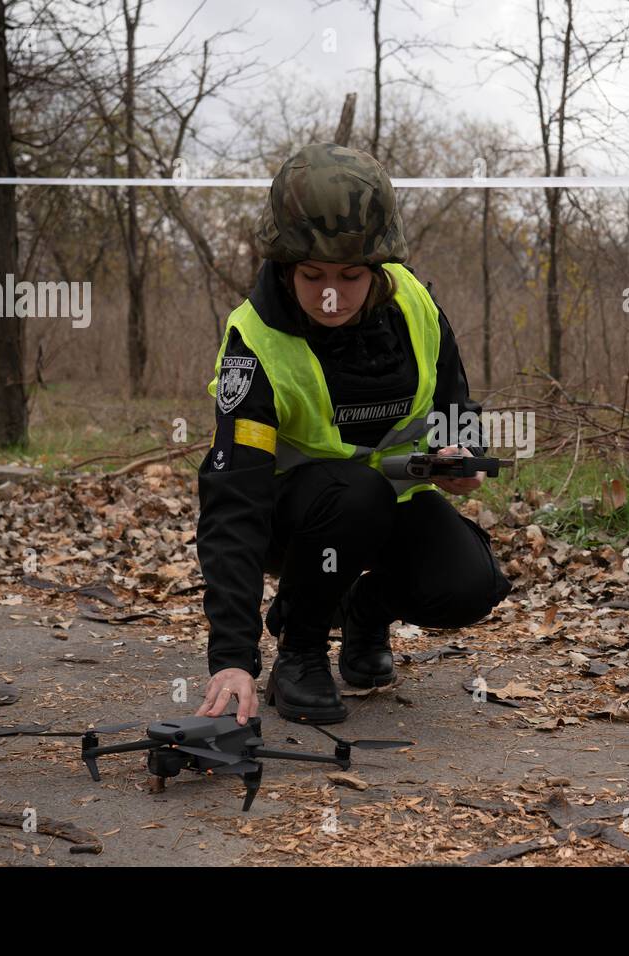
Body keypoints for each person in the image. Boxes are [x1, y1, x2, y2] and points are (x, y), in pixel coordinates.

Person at [194, 142, 511, 726]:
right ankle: (302, 651)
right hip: (294, 522)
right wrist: (233, 657)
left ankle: (365, 612)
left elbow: (454, 401)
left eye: (350, 275)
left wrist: (464, 456)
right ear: (285, 265)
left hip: (395, 501)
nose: (331, 294)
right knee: (354, 495)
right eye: (312, 276)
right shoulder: (255, 342)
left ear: (379, 267)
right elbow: (232, 501)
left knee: (470, 584)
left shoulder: (417, 304)